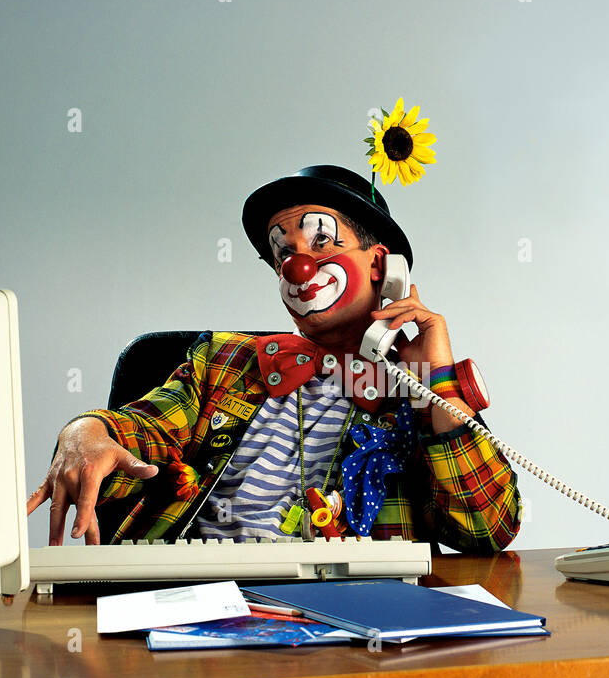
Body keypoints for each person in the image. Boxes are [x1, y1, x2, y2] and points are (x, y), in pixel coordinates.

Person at [25, 165, 521, 552]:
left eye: (322, 241)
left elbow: (486, 529)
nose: (298, 265)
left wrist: (435, 381)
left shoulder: (411, 390)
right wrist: (85, 432)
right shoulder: (223, 359)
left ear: (380, 265)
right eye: (282, 253)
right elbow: (141, 433)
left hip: (346, 617)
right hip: (189, 595)